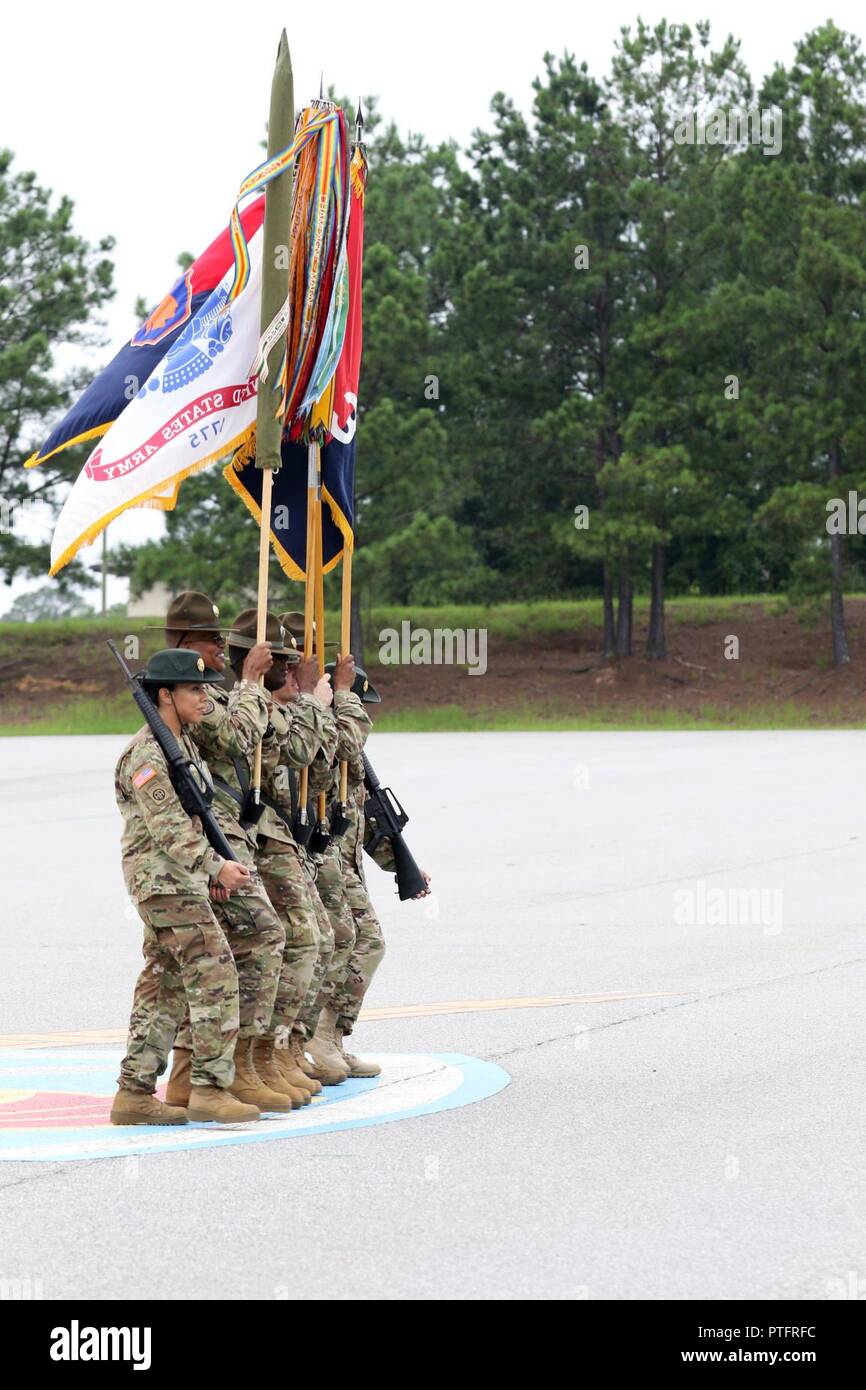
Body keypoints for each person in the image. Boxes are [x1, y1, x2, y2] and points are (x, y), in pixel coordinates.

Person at [110, 649, 262, 1126]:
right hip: (161, 881)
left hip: (178, 880)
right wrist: (216, 868)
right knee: (216, 969)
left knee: (164, 985)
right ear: (164, 696)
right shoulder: (147, 754)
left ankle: (134, 1094)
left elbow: (199, 815)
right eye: (194, 689)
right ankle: (210, 1089)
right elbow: (170, 828)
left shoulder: (183, 744)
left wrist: (210, 870)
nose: (204, 696)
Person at [156, 592, 290, 1114]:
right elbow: (238, 738)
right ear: (185, 641)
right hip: (206, 845)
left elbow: (271, 744)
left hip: (224, 840)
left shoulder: (203, 690)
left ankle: (209, 1075)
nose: (219, 648)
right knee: (247, 940)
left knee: (203, 959)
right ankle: (223, 1072)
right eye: (211, 639)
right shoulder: (187, 691)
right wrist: (252, 683)